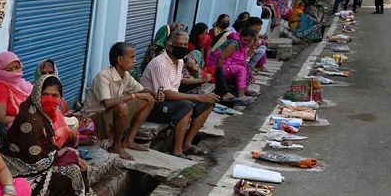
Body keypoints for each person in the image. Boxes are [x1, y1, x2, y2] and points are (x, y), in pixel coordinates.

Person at [2, 74, 103, 196]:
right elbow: (37, 161)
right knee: (70, 174)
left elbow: (47, 148)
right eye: (45, 94)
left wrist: (67, 155)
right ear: (36, 94)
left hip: (39, 165)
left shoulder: (44, 114)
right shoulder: (29, 118)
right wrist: (64, 154)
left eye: (55, 96)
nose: (50, 99)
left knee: (76, 166)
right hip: (23, 173)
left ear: (60, 98)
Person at [140, 30, 219, 159]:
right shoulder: (160, 64)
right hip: (153, 104)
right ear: (169, 46)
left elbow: (177, 80)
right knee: (186, 106)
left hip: (170, 100)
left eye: (185, 45)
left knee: (208, 102)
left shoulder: (179, 60)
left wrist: (199, 80)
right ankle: (176, 151)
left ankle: (186, 144)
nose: (183, 48)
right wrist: (197, 97)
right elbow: (167, 94)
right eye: (179, 45)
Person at [83, 42, 157, 158]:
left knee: (149, 100)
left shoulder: (126, 75)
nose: (135, 61)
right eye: (132, 57)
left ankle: (129, 140)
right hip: (94, 121)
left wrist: (155, 93)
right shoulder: (104, 76)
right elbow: (107, 103)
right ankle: (116, 147)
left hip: (108, 116)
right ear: (120, 59)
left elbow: (142, 90)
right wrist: (134, 96)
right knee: (122, 107)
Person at [206, 26, 259, 102]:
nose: (247, 42)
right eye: (245, 40)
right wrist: (219, 75)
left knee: (246, 66)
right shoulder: (234, 44)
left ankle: (244, 89)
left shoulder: (243, 44)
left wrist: (252, 48)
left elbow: (242, 58)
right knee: (242, 69)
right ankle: (241, 95)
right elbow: (221, 58)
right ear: (240, 36)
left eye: (249, 41)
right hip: (216, 67)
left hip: (228, 65)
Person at [0, 51, 33, 129]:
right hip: (12, 133)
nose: (14, 72)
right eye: (8, 70)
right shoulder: (0, 88)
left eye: (17, 67)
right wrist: (26, 120)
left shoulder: (24, 85)